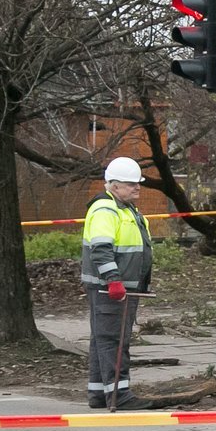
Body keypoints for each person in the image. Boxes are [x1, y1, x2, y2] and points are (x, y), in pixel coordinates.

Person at [79, 156, 153, 409]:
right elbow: (101, 249)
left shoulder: (123, 208)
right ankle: (119, 395)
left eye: (138, 183)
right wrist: (113, 280)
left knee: (103, 337)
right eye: (131, 183)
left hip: (119, 286)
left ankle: (100, 392)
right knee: (115, 339)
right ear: (114, 185)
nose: (137, 187)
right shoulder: (106, 210)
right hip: (111, 288)